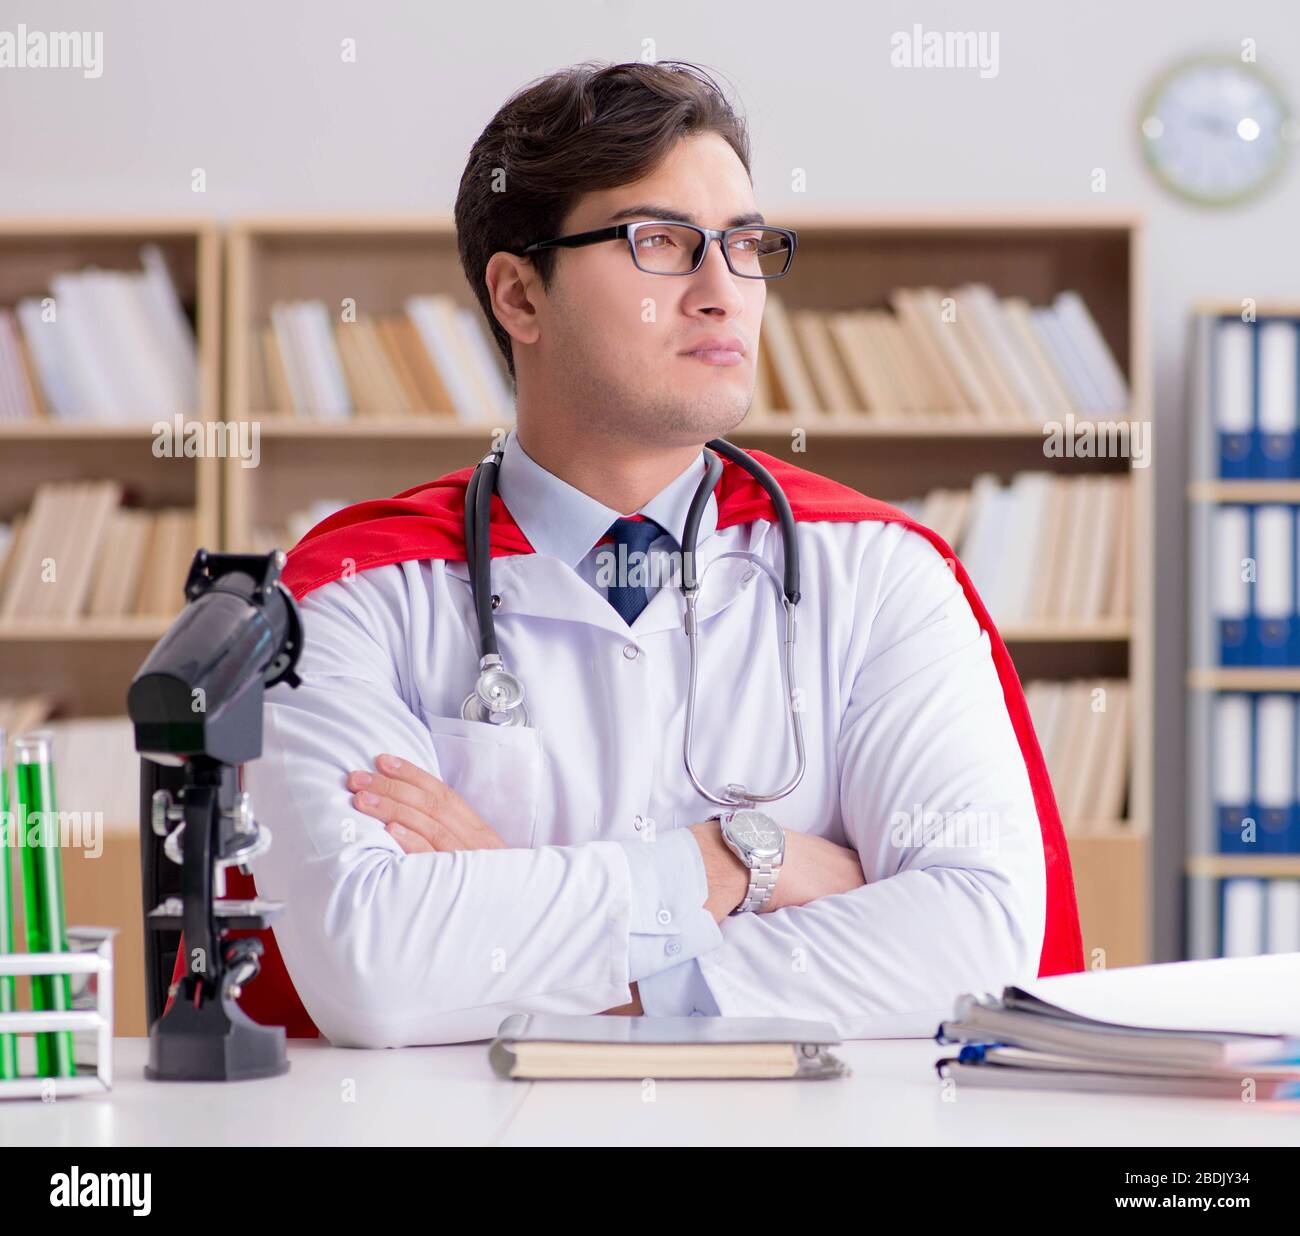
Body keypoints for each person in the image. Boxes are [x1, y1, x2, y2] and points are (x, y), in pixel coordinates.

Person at [236, 60, 1081, 1048]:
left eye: (746, 245)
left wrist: (520, 911)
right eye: (662, 243)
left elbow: (978, 940)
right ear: (519, 297)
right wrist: (743, 860)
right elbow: (373, 970)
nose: (724, 292)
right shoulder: (349, 596)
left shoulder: (883, 573)